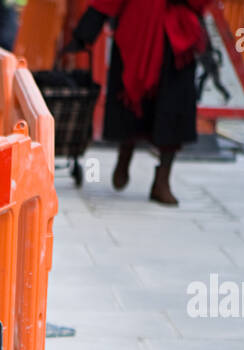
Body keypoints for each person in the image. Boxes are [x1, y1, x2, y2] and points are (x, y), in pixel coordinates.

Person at [64, 0, 210, 206]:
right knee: (131, 102)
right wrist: (86, 31)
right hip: (136, 31)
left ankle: (163, 180)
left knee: (175, 107)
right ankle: (125, 153)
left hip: (177, 38)